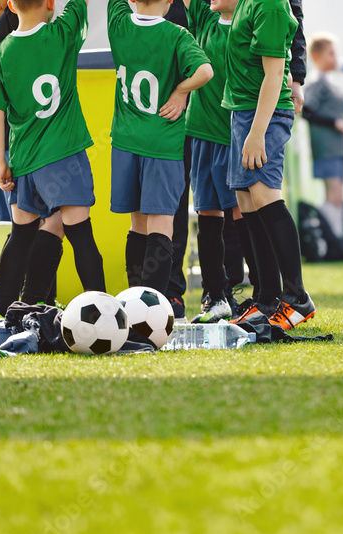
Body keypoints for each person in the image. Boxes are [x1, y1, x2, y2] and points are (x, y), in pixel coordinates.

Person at [0, 0, 107, 306]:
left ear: (10, 5)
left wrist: (1, 163)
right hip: (64, 156)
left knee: (20, 240)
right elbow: (79, 4)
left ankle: (3, 314)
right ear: (50, 3)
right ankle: (103, 311)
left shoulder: (1, 53)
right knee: (81, 237)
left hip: (23, 161)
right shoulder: (62, 34)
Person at [107, 0, 213, 305]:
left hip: (125, 143)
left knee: (137, 224)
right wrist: (181, 92)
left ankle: (132, 301)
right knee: (162, 223)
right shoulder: (178, 34)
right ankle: (153, 305)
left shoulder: (119, 24)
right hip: (163, 145)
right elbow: (205, 71)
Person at [224, 0, 315, 330]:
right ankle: (267, 297)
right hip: (243, 112)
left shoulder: (270, 5)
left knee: (265, 195)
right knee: (246, 199)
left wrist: (258, 132)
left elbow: (275, 73)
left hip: (265, 115)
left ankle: (297, 298)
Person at [0, 0, 61, 320]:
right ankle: (26, 304)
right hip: (23, 146)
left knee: (28, 228)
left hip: (14, 147)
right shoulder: (12, 34)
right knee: (42, 225)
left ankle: (22, 306)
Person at [183, 0, 248, 323]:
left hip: (232, 134)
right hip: (200, 133)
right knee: (206, 213)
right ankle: (215, 294)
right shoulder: (204, 19)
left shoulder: (247, 25)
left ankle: (246, 291)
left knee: (237, 214)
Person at [302, 32, 343, 238]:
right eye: (331, 53)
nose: (335, 58)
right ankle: (332, 237)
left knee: (338, 195)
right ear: (317, 57)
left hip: (338, 148)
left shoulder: (332, 85)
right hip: (326, 147)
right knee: (334, 193)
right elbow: (307, 111)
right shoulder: (317, 84)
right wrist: (334, 123)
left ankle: (336, 236)